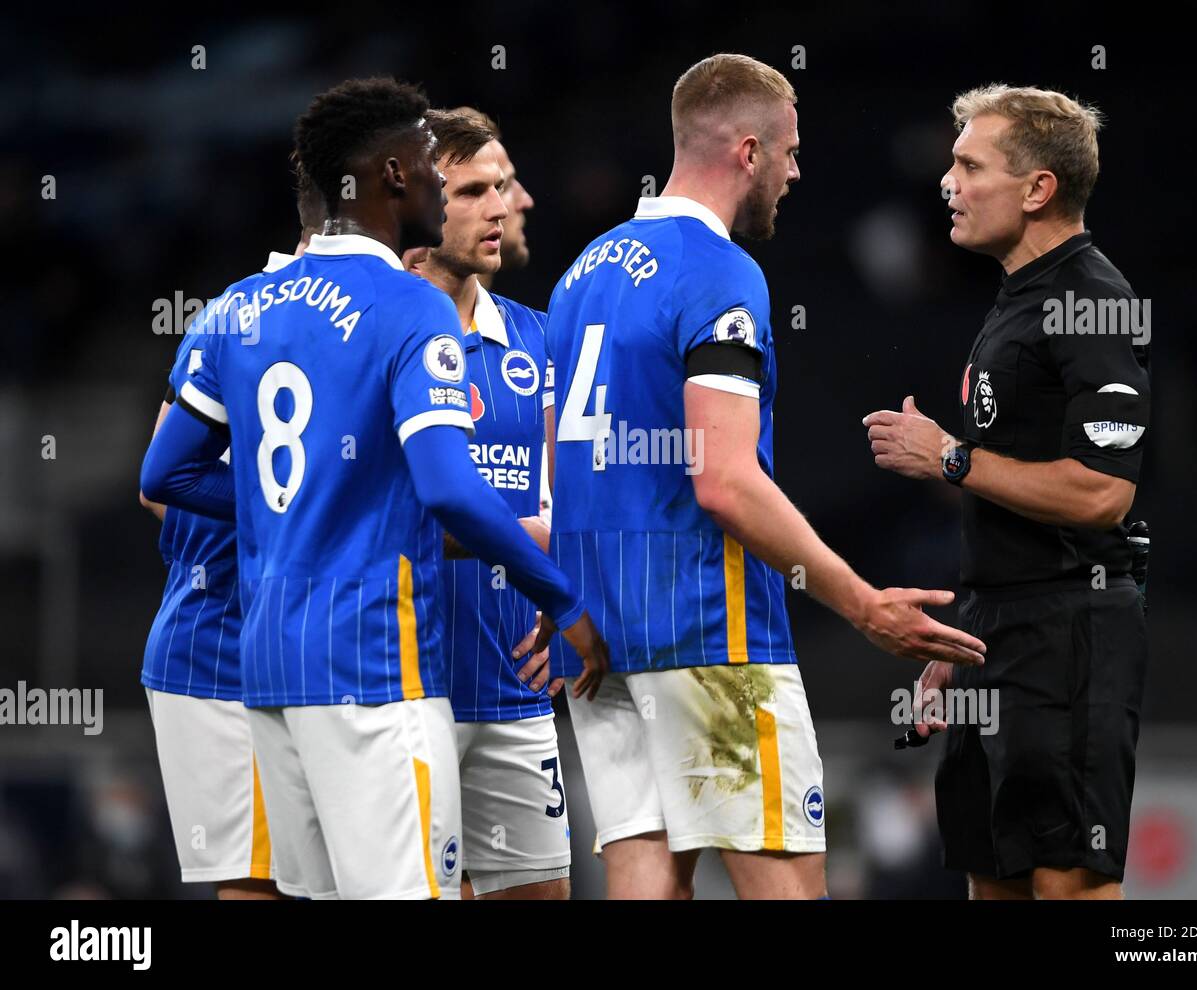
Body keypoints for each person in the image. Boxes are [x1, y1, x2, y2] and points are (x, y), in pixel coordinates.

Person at [141, 77, 608, 900]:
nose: (445, 183)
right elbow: (453, 494)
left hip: (272, 675)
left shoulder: (235, 308)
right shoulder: (407, 308)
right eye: (435, 167)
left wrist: (303, 499)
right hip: (374, 666)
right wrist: (566, 604)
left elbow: (165, 474)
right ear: (394, 175)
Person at [544, 53, 985, 900]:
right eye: (787, 150)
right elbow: (724, 481)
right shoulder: (718, 272)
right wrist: (864, 604)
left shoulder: (579, 276)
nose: (795, 171)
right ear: (747, 152)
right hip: (714, 643)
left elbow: (569, 470)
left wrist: (560, 596)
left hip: (603, 643)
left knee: (645, 882)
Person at [864, 84, 1151, 899]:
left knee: (1067, 886)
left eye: (968, 164)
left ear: (1037, 189)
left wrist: (951, 459)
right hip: (999, 633)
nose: (947, 183)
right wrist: (967, 641)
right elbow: (1013, 505)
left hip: (1070, 640)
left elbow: (1103, 494)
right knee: (992, 881)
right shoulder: (1015, 302)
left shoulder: (1092, 301)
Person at [136, 175, 324, 899]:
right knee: (257, 886)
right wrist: (297, 512)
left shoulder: (369, 313)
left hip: (309, 651)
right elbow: (157, 484)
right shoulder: (238, 315)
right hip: (222, 649)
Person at [409, 109, 571, 899]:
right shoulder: (376, 335)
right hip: (401, 687)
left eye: (503, 186)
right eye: (473, 190)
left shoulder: (541, 341)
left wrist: (578, 598)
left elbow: (583, 501)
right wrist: (521, 537)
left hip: (514, 683)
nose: (500, 207)